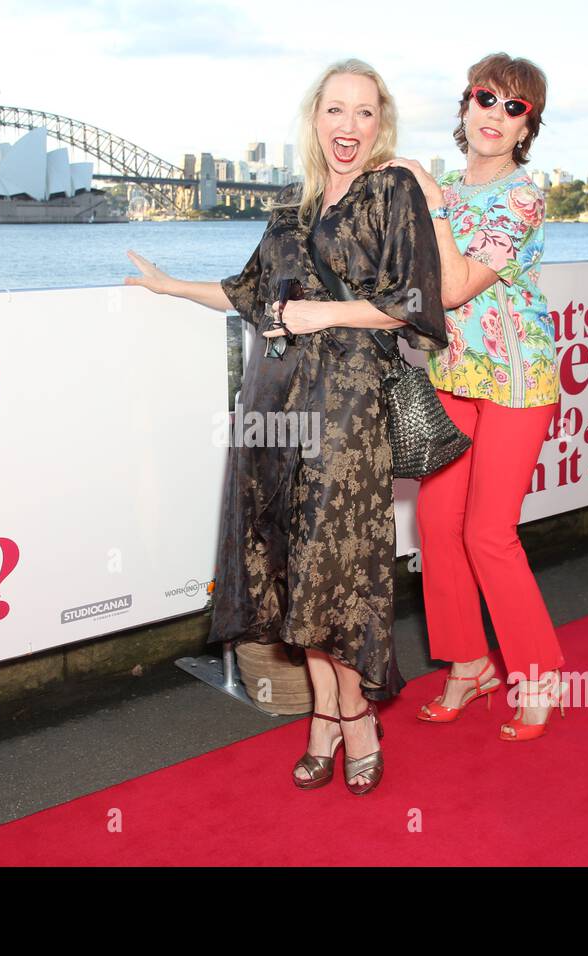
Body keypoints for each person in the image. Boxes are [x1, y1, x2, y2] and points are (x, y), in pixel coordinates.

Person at [125, 58, 447, 793]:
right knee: (299, 569)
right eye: (336, 110)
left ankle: (355, 718)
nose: (349, 127)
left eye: (365, 113)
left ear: (381, 123)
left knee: (341, 570)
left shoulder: (390, 193)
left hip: (351, 413)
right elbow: (246, 294)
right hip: (278, 412)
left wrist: (325, 312)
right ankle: (323, 720)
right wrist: (168, 285)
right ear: (314, 119)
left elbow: (418, 302)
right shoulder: (286, 209)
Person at [381, 53, 567, 741]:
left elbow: (456, 287)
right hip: (454, 378)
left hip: (519, 384)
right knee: (435, 525)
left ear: (527, 128)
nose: (496, 114)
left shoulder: (522, 197)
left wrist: (427, 191)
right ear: (465, 107)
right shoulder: (445, 195)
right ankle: (467, 665)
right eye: (486, 98)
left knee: (488, 533)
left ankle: (539, 675)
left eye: (514, 108)